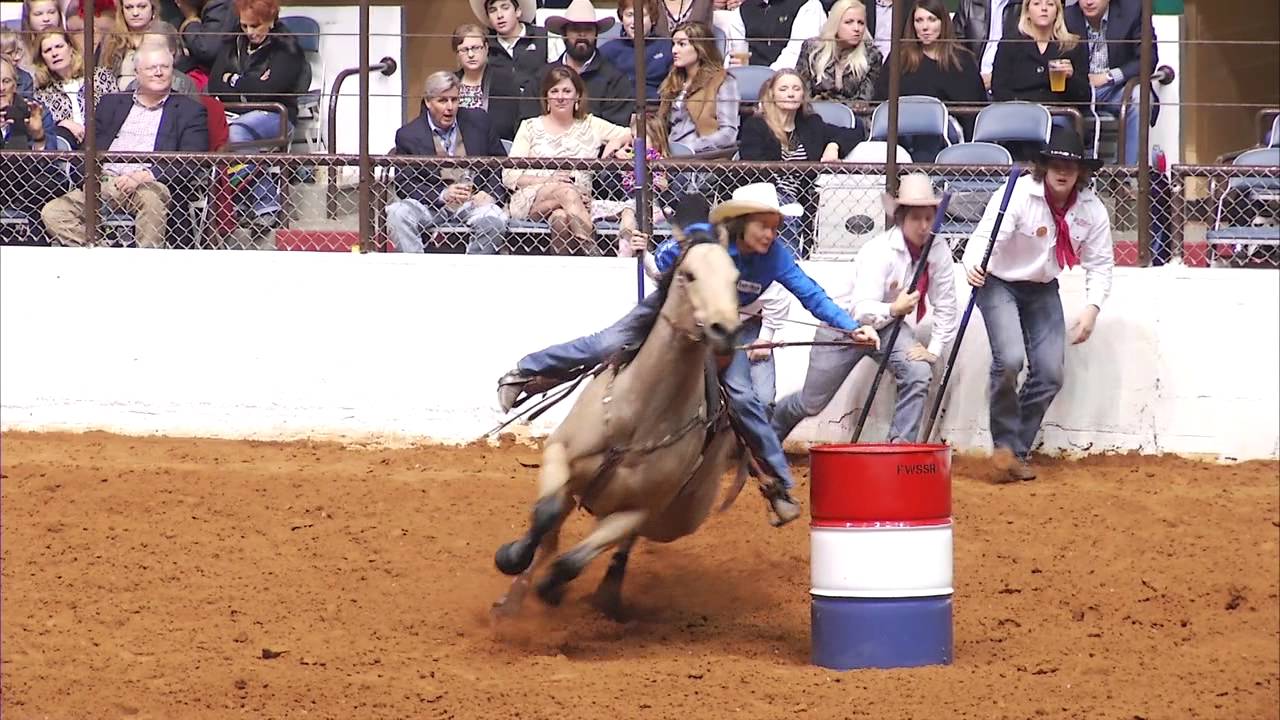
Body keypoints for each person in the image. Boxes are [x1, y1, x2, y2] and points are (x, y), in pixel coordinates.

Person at [494, 182, 880, 526]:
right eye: (764, 225)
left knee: (745, 399)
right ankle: (523, 373)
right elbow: (664, 266)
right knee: (606, 344)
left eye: (776, 226)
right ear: (742, 222)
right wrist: (649, 254)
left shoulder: (776, 256)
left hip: (729, 326)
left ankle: (778, 484)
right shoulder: (707, 240)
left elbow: (811, 293)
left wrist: (850, 326)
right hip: (673, 311)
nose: (771, 234)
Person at [962, 125, 1113, 482]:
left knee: (1050, 373)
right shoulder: (1016, 195)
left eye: (1071, 166)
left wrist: (1092, 308)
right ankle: (1004, 446)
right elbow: (986, 238)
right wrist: (975, 266)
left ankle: (1015, 450)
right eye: (1057, 164)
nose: (1063, 171)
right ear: (1044, 167)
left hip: (1043, 287)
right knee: (1010, 359)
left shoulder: (1092, 210)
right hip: (998, 282)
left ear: (1081, 173)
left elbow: (1101, 264)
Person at [772, 173, 958, 445]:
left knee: (919, 373)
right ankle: (766, 435)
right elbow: (862, 309)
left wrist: (934, 350)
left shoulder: (938, 249)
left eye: (929, 218)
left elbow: (947, 305)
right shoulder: (878, 250)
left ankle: (899, 449)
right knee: (811, 403)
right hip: (845, 327)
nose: (923, 225)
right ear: (901, 217)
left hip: (889, 326)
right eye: (916, 218)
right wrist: (894, 308)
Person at [40, 44, 210, 248]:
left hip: (147, 184)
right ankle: (107, 260)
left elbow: (192, 160)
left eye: (164, 67)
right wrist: (92, 176)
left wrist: (145, 175)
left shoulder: (189, 110)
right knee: (53, 212)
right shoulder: (112, 103)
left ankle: (145, 267)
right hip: (103, 182)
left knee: (152, 200)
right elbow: (88, 147)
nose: (158, 72)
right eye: (151, 68)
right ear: (137, 72)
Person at [503, 65, 632, 255]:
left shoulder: (591, 124)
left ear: (577, 96)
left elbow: (634, 133)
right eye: (554, 91)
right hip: (532, 199)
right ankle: (592, 252)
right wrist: (550, 181)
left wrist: (616, 142)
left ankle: (564, 273)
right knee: (565, 190)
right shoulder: (529, 127)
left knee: (560, 218)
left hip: (577, 204)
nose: (560, 96)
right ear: (546, 97)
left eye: (566, 91)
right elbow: (509, 175)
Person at [738, 69, 864, 256]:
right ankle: (791, 260)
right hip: (765, 197)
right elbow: (753, 167)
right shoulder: (756, 126)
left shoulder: (811, 124)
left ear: (802, 94)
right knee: (784, 211)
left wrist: (834, 145)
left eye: (796, 89)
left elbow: (857, 131)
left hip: (801, 200)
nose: (790, 93)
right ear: (771, 93)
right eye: (784, 89)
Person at [207, 0, 308, 228]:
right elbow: (214, 84)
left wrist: (232, 79)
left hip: (275, 116)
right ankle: (247, 201)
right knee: (222, 129)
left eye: (255, 26)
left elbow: (269, 90)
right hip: (234, 113)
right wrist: (249, 86)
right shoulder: (233, 42)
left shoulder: (286, 47)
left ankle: (265, 203)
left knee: (236, 133)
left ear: (271, 21)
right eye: (244, 26)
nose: (249, 32)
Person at [387, 72, 509, 255]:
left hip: (473, 201)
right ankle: (416, 274)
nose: (450, 107)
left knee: (495, 218)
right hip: (431, 204)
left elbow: (499, 164)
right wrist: (442, 194)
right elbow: (405, 184)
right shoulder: (408, 135)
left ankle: (469, 276)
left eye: (454, 100)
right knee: (397, 214)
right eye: (442, 101)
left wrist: (490, 194)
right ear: (428, 102)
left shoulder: (480, 121)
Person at [873, 0, 985, 161]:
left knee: (927, 137)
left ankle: (920, 178)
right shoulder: (899, 58)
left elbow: (973, 111)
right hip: (901, 130)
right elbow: (880, 100)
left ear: (943, 23)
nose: (925, 27)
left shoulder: (962, 60)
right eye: (919, 21)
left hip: (944, 132)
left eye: (931, 20)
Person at [1065, 0, 1157, 165]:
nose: (1089, 2)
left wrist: (1109, 76)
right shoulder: (1067, 17)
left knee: (1139, 98)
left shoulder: (1133, 11)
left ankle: (1128, 177)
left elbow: (1148, 58)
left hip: (1115, 88)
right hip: (1078, 90)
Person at [991, 0, 1090, 121]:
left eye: (1050, 4)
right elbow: (998, 88)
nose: (1044, 8)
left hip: (1058, 116)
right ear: (1027, 11)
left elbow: (1085, 97)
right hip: (1018, 115)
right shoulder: (1010, 43)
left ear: (1057, 12)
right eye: (1037, 4)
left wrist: (1071, 77)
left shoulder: (1072, 46)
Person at [658, 20, 739, 154]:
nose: (674, 50)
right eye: (673, 44)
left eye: (682, 44)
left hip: (702, 158)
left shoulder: (723, 81)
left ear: (700, 48)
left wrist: (692, 148)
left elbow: (728, 134)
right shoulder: (673, 81)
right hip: (669, 155)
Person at [30, 30, 118, 149]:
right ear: (42, 58)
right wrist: (61, 123)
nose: (54, 53)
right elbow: (43, 126)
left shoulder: (101, 77)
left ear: (71, 48)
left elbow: (117, 112)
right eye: (47, 50)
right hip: (67, 150)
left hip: (104, 144)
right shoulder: (42, 92)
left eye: (59, 46)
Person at [797, 0, 882, 107]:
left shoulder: (872, 56)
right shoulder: (812, 49)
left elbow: (862, 102)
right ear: (835, 23)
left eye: (861, 23)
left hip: (853, 118)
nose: (856, 29)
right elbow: (803, 93)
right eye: (849, 22)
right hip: (813, 114)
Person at [452, 23, 524, 142]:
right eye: (464, 50)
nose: (470, 55)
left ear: (486, 48)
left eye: (476, 48)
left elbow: (508, 125)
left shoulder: (505, 81)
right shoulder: (449, 83)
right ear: (457, 54)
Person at [599, 0, 672, 101]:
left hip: (659, 109)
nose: (635, 21)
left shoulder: (668, 47)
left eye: (642, 15)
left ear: (653, 19)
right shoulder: (607, 51)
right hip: (618, 111)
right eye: (629, 15)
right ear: (621, 18)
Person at [472, 0, 549, 87]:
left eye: (505, 8)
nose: (499, 15)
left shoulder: (543, 37)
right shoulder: (485, 47)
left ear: (518, 11)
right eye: (492, 10)